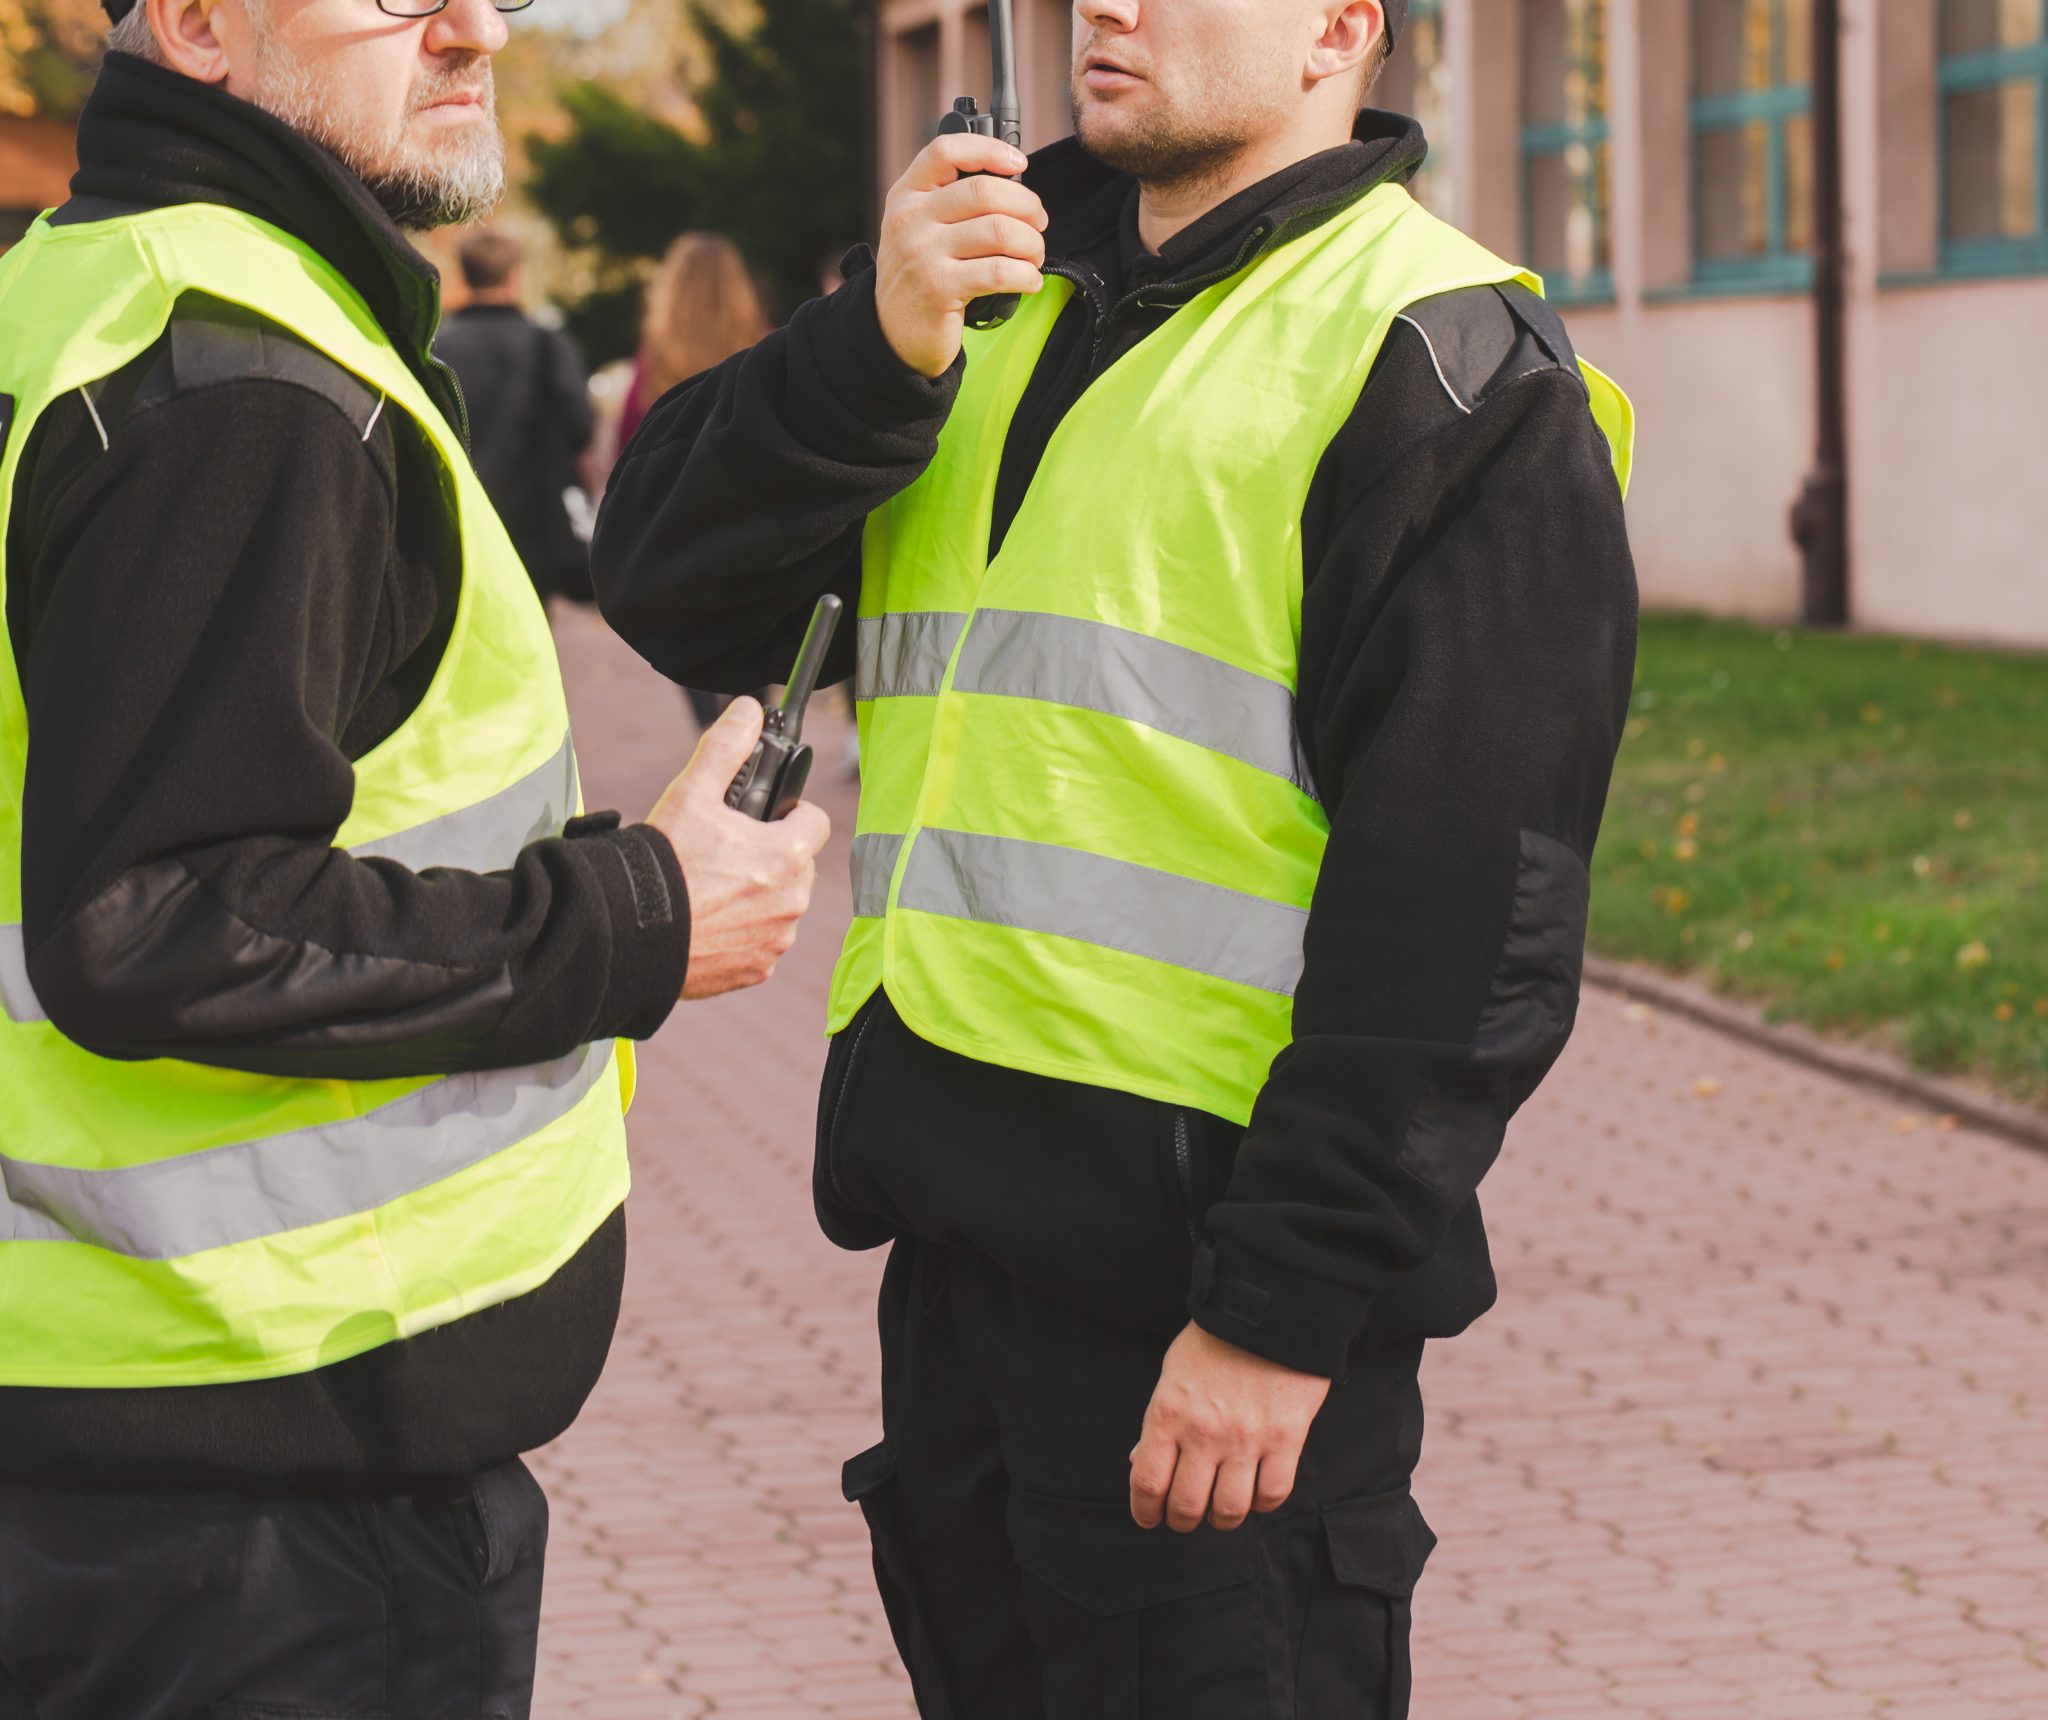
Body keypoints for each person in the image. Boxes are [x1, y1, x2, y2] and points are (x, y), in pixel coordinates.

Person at [593, 0, 1636, 1707]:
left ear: (1337, 31)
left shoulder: (1444, 366)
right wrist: (867, 343)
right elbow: (665, 582)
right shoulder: (979, 287)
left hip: (1205, 1311)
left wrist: (1281, 1315)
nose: (1106, 7)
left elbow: (1466, 923)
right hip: (954, 1273)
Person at [0, 0, 828, 1713]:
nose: (471, 25)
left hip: (133, 1450)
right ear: (206, 26)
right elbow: (157, 913)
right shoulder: (246, 378)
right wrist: (637, 917)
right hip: (254, 1495)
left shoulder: (71, 299)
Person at [435, 225, 597, 602]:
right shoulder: (546, 344)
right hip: (532, 518)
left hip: (459, 514)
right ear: (514, 275)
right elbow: (580, 426)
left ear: (465, 273)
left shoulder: (439, 343)